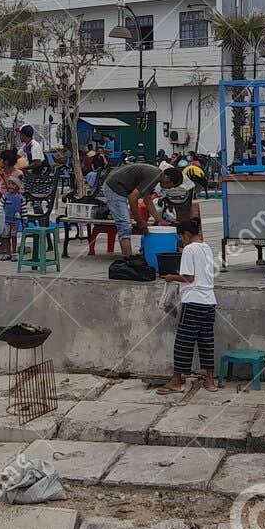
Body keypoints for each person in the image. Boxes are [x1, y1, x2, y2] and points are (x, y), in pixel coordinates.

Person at [160, 217, 217, 393]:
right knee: (206, 341)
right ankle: (210, 381)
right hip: (209, 302)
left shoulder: (189, 250)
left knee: (184, 342)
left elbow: (188, 277)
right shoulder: (206, 248)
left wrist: (171, 277)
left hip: (193, 301)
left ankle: (176, 381)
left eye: (181, 237)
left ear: (185, 235)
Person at [99, 159, 178, 257]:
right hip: (114, 187)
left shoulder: (155, 175)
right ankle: (128, 260)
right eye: (171, 186)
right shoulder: (155, 176)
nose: (169, 189)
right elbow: (132, 197)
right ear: (167, 178)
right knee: (125, 225)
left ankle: (128, 259)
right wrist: (140, 222)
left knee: (125, 223)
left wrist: (160, 220)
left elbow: (147, 200)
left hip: (118, 185)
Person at [0, 147, 24, 260]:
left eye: (0, 160)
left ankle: (12, 250)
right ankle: (2, 247)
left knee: (11, 230)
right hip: (2, 202)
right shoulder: (0, 173)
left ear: (6, 162)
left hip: (13, 206)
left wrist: (3, 177)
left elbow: (12, 191)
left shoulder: (18, 174)